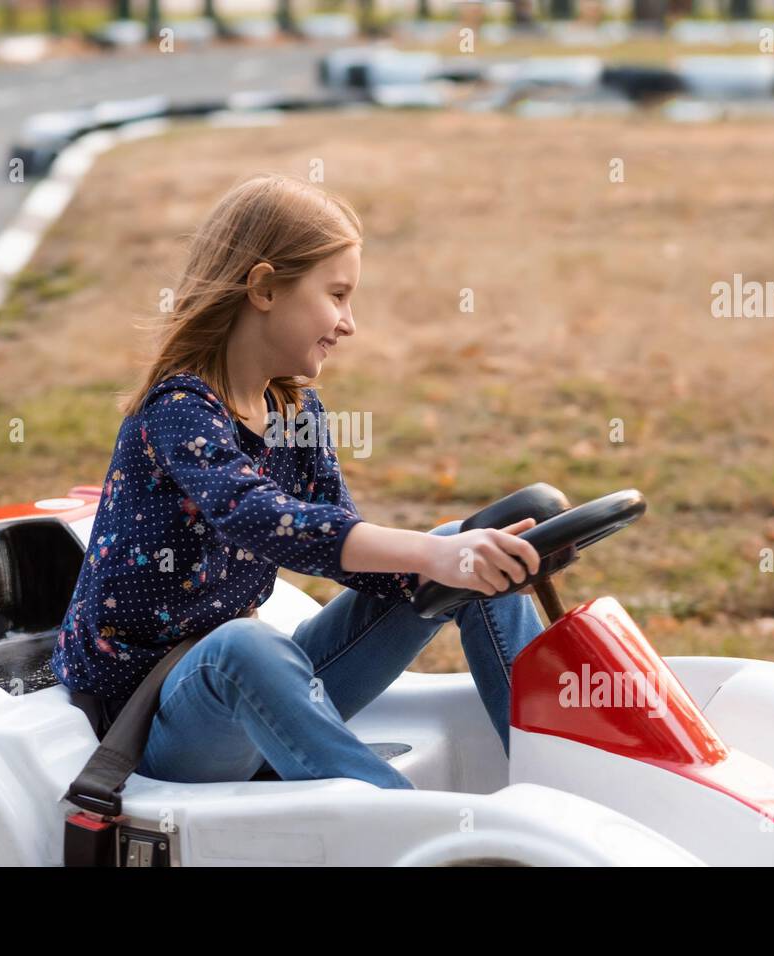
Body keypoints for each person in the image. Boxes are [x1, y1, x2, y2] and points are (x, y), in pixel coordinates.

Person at [51, 173, 545, 790]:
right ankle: (402, 819)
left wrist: (467, 555)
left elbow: (347, 551)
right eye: (336, 295)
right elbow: (259, 517)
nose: (349, 323)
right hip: (160, 723)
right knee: (247, 646)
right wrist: (432, 554)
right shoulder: (178, 408)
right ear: (263, 287)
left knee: (467, 548)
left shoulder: (295, 416)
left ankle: (562, 774)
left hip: (256, 694)